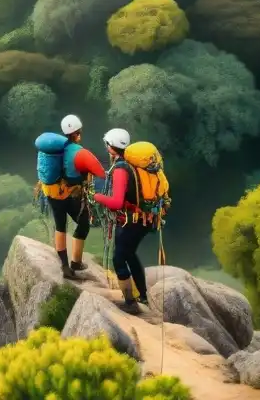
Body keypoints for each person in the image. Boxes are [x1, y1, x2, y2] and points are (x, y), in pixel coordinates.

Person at [93, 128, 170, 315]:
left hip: (131, 221)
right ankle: (142, 294)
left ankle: (130, 302)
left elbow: (117, 202)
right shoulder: (135, 163)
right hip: (145, 219)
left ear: (111, 147)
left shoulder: (121, 168)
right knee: (129, 254)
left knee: (119, 259)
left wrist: (96, 196)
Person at [36, 114, 106, 279]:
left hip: (51, 192)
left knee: (60, 226)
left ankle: (66, 267)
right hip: (70, 194)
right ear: (78, 132)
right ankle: (76, 262)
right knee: (83, 222)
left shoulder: (54, 150)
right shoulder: (79, 152)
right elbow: (101, 173)